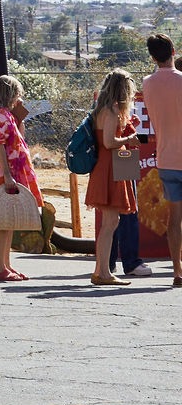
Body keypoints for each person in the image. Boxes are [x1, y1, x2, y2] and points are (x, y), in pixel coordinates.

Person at [0, 75, 42, 282]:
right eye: (16, 93)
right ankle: (0, 268)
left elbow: (19, 140)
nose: (19, 97)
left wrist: (19, 117)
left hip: (10, 172)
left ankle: (6, 265)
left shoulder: (6, 115)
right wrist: (7, 175)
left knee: (8, 221)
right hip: (1, 174)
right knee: (3, 221)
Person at [85, 69, 140, 286]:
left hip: (110, 166)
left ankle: (102, 270)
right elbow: (109, 142)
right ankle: (103, 273)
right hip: (110, 167)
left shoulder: (103, 109)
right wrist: (130, 138)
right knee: (110, 222)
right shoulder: (110, 111)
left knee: (110, 222)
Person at [139, 33, 182, 285]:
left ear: (152, 57)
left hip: (166, 158)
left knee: (173, 219)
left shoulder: (147, 83)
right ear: (174, 51)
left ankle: (178, 271)